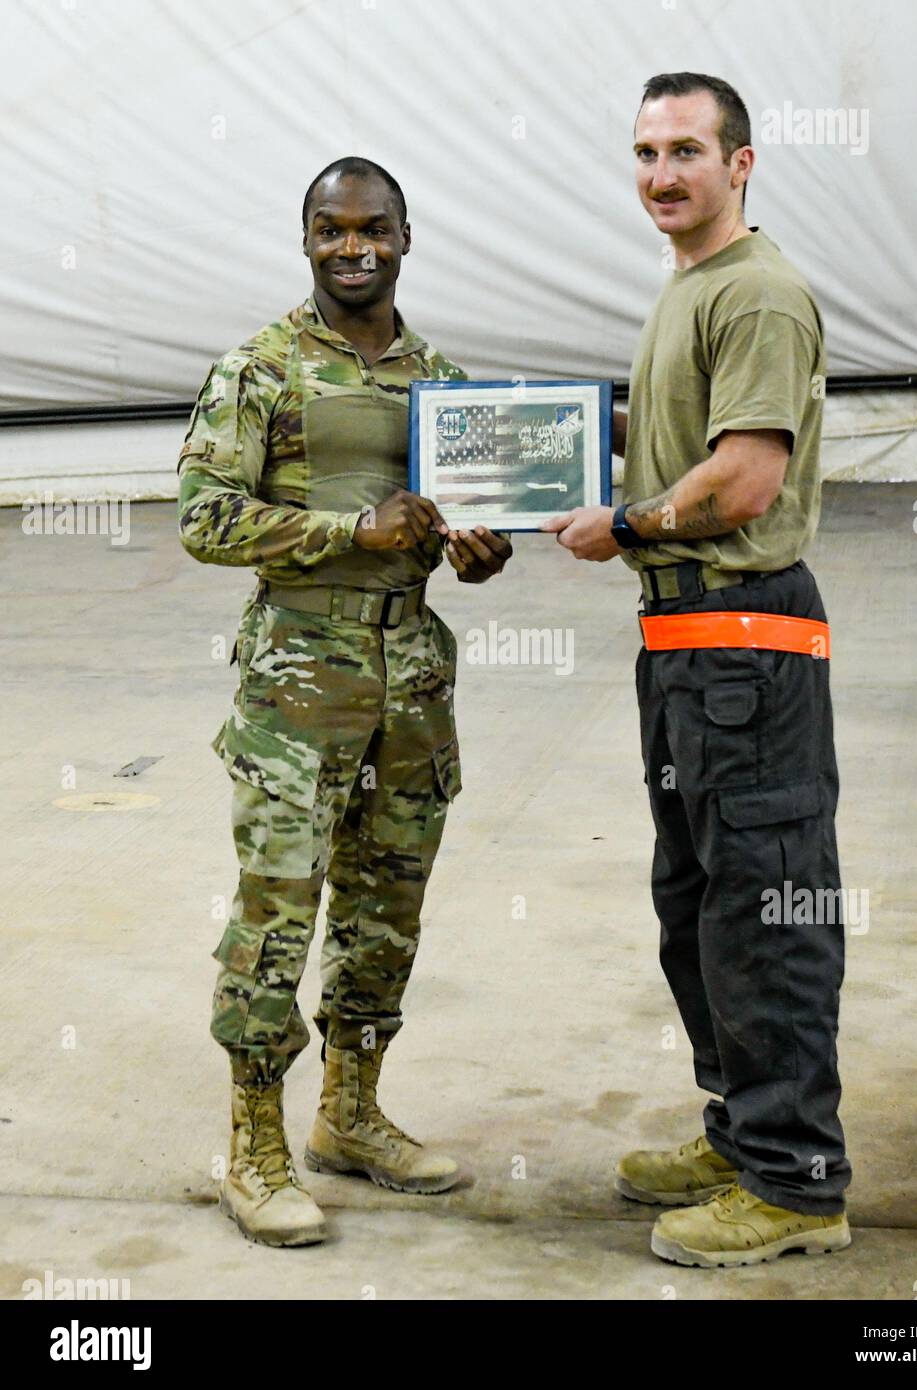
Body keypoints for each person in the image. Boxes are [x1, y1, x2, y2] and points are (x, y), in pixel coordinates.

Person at [542, 73, 852, 1267]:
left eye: (685, 151)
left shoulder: (757, 294)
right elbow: (675, 449)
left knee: (766, 913)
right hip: (682, 649)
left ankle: (795, 1183)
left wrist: (621, 526)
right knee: (701, 912)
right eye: (642, 152)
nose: (660, 174)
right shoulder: (689, 287)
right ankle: (740, 1132)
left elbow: (744, 480)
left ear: (741, 164)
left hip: (743, 647)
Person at [178, 156, 512, 1247]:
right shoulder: (261, 369)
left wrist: (477, 548)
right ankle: (251, 1143)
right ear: (307, 240)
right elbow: (205, 518)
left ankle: (350, 1113)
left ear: (407, 238)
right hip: (296, 690)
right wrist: (346, 532)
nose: (353, 246)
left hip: (410, 683)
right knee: (276, 916)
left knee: (384, 912)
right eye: (332, 230)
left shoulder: (448, 384)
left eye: (374, 229)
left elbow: (466, 530)